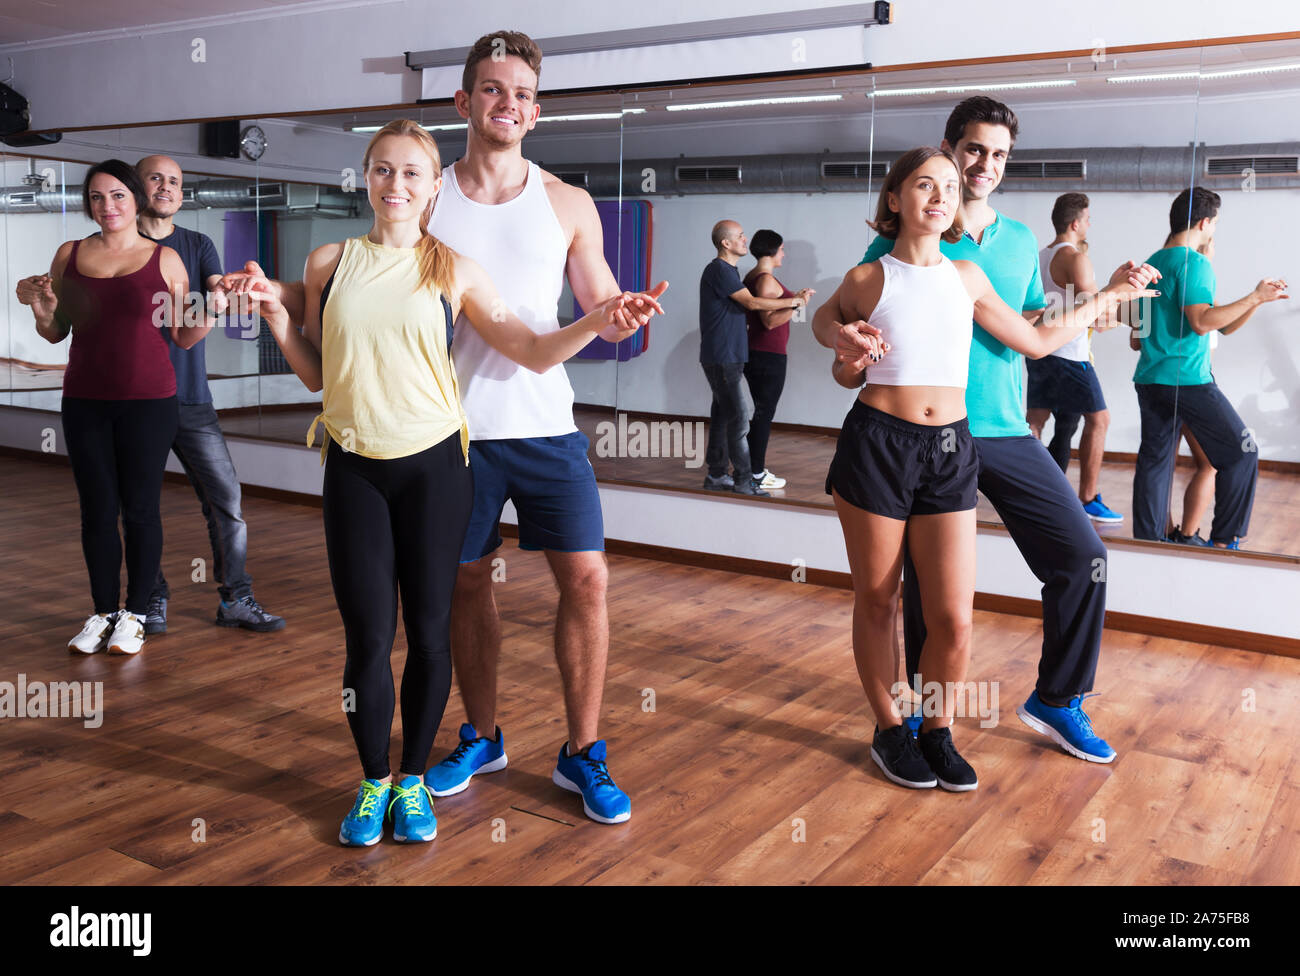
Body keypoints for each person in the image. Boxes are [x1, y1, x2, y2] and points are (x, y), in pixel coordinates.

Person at [231, 119, 662, 846]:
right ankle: (373, 784)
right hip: (353, 469)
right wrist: (277, 317)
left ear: (434, 190)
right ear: (365, 178)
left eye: (410, 174)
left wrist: (595, 321)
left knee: (430, 636)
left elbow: (527, 347)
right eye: (382, 170)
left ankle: (411, 783)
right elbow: (316, 373)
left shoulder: (454, 269)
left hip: (436, 468)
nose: (394, 184)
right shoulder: (329, 261)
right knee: (368, 639)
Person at [818, 96, 1157, 765]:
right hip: (904, 433)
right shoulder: (896, 242)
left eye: (998, 154)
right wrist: (843, 344)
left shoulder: (1007, 246)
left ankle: (1057, 700)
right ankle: (913, 725)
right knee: (906, 594)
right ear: (948, 148)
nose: (984, 165)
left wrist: (1108, 296)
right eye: (973, 150)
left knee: (1083, 557)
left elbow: (1032, 328)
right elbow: (842, 314)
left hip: (997, 426)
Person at [16, 159, 199, 656]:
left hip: (149, 403)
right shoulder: (69, 254)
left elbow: (184, 336)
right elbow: (56, 331)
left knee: (140, 510)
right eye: (97, 197)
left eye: (118, 195)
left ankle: (136, 614)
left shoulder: (166, 261)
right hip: (84, 401)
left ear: (136, 199)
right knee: (96, 511)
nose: (108, 206)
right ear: (88, 204)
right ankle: (102, 612)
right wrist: (37, 305)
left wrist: (215, 309)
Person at [134, 155, 285, 635]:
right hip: (133, 403)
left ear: (181, 194)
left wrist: (238, 286)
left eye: (174, 181)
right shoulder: (117, 248)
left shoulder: (196, 244)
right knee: (138, 507)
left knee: (226, 500)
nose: (165, 187)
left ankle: (236, 600)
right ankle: (149, 600)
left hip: (192, 401)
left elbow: (220, 290)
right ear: (137, 186)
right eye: (155, 178)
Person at [1130, 187, 1288, 549]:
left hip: (1151, 378)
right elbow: (1202, 323)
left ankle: (1151, 543)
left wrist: (1257, 299)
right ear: (1205, 222)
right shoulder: (1196, 264)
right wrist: (1253, 296)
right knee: (1242, 451)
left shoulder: (1151, 262)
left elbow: (1142, 337)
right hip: (1188, 380)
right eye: (1214, 223)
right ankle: (1224, 541)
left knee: (1156, 463)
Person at [1025, 193, 1122, 523]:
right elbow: (1095, 315)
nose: (1090, 224)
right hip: (1069, 355)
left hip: (1040, 349)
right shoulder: (1077, 258)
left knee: (1043, 422)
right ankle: (1088, 498)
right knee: (1100, 419)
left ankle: (1034, 494)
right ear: (1075, 223)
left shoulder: (1040, 256)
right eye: (1088, 218)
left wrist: (1111, 288)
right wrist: (1122, 306)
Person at [700, 220, 812, 496]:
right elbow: (752, 304)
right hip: (723, 355)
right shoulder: (719, 269)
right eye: (739, 236)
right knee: (739, 419)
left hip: (732, 354)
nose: (744, 239)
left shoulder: (732, 271)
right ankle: (745, 480)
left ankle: (716, 476)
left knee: (724, 417)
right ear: (726, 243)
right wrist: (795, 301)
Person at [743, 229, 809, 492]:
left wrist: (795, 299)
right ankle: (756, 472)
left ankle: (751, 468)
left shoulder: (755, 277)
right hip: (767, 355)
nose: (784, 253)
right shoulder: (766, 280)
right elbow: (769, 321)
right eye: (782, 249)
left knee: (761, 414)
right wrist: (797, 305)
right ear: (772, 250)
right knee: (763, 414)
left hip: (761, 354)